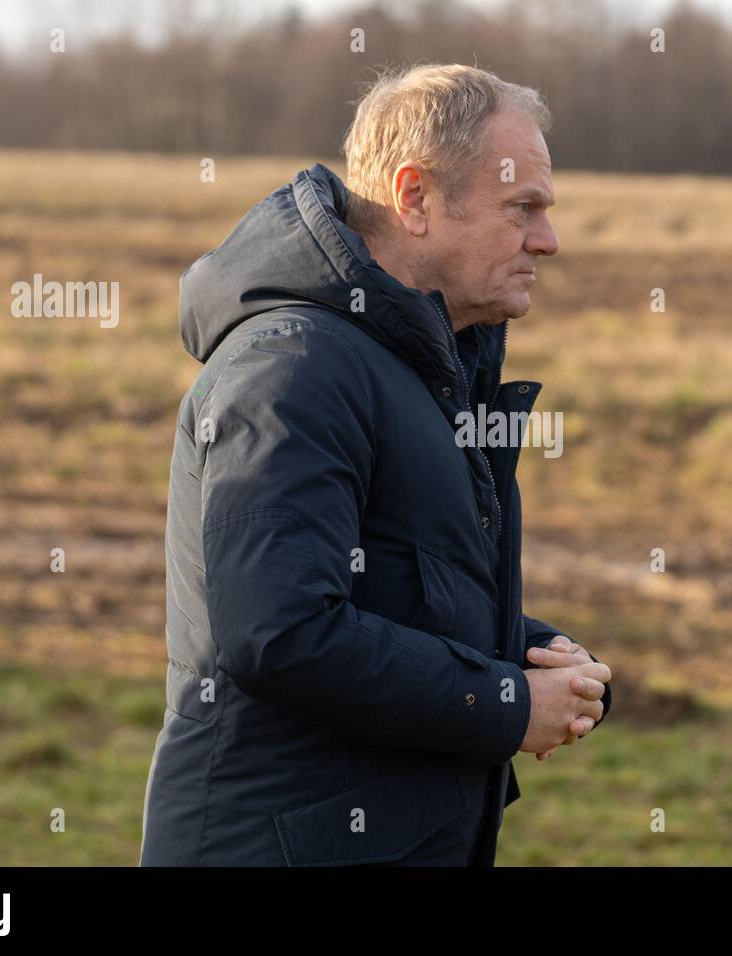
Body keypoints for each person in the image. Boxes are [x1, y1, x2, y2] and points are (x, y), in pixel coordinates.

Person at [139, 63, 612, 867]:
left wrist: (536, 657)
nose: (549, 239)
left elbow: (399, 586)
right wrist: (502, 703)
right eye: (522, 208)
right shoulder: (294, 366)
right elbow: (279, 631)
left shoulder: (427, 361)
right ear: (417, 197)